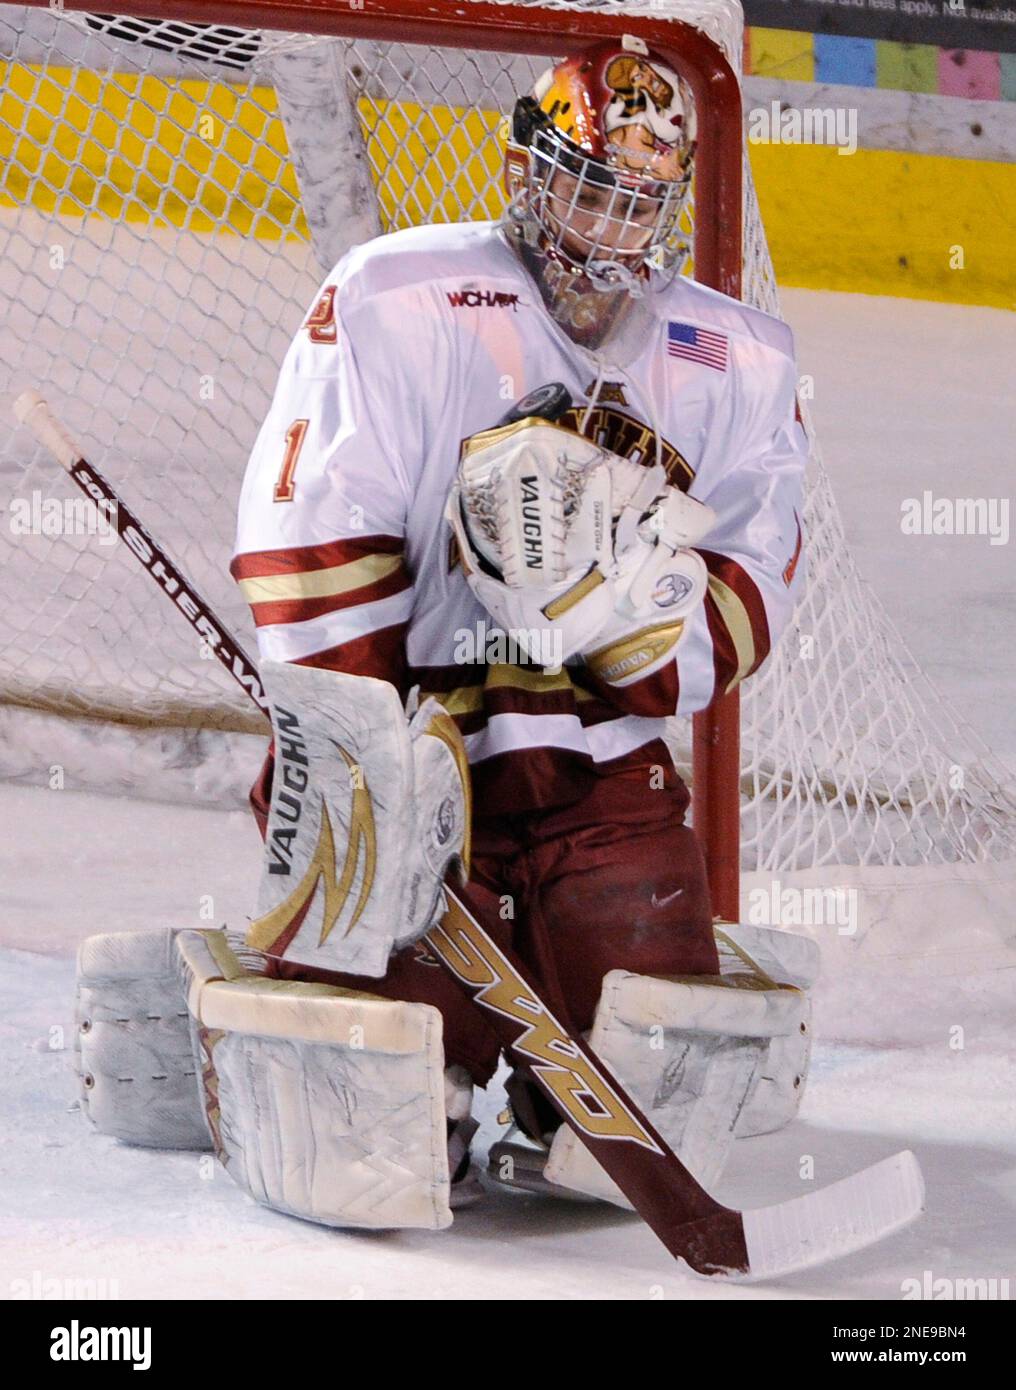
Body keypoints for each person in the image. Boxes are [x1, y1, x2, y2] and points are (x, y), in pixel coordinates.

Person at [231, 35, 808, 1196]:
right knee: (377, 1123)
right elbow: (306, 523)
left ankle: (553, 1095)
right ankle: (325, 1038)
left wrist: (646, 643)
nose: (607, 233)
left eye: (638, 204)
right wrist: (365, 747)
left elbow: (760, 562)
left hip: (595, 768)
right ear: (528, 169)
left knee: (650, 1069)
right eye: (588, 190)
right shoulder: (402, 295)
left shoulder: (732, 356)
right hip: (414, 745)